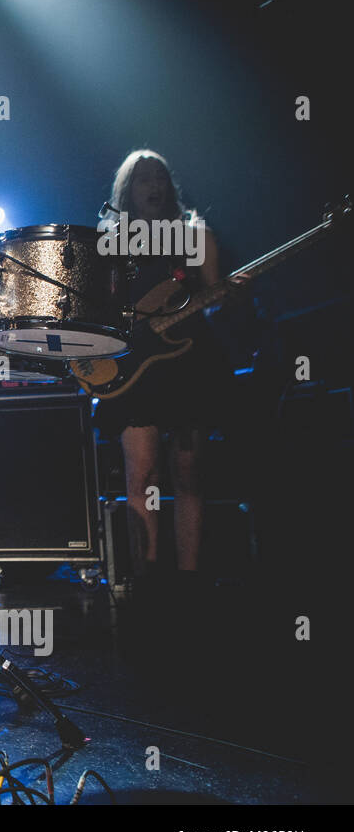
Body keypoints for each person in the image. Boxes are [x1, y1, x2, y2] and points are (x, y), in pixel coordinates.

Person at [94, 150, 234, 590]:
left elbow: (217, 301)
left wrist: (229, 294)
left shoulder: (196, 234)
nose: (153, 186)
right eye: (143, 180)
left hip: (189, 362)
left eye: (160, 178)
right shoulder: (112, 242)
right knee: (142, 472)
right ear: (128, 192)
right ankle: (149, 578)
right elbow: (101, 307)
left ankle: (190, 581)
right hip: (137, 366)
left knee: (189, 472)